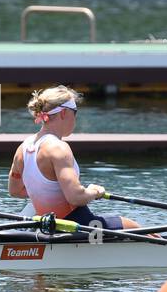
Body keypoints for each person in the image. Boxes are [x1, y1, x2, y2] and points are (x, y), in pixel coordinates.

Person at [8, 86, 140, 230]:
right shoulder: (58, 148)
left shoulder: (23, 148)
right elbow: (75, 198)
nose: (75, 118)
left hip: (48, 225)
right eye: (75, 112)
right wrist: (94, 191)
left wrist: (46, 192)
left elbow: (15, 190)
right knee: (136, 228)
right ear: (64, 113)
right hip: (77, 224)